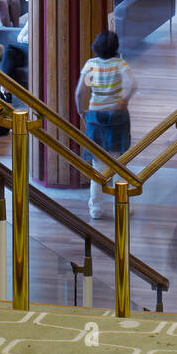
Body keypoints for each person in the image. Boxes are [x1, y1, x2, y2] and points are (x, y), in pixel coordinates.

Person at [75, 30, 137, 219]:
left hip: (95, 115)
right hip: (117, 115)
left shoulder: (91, 66)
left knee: (98, 165)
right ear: (115, 47)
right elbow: (132, 84)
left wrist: (81, 110)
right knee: (119, 162)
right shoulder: (120, 64)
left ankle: (96, 209)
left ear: (96, 46)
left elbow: (80, 92)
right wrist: (123, 101)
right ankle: (123, 204)